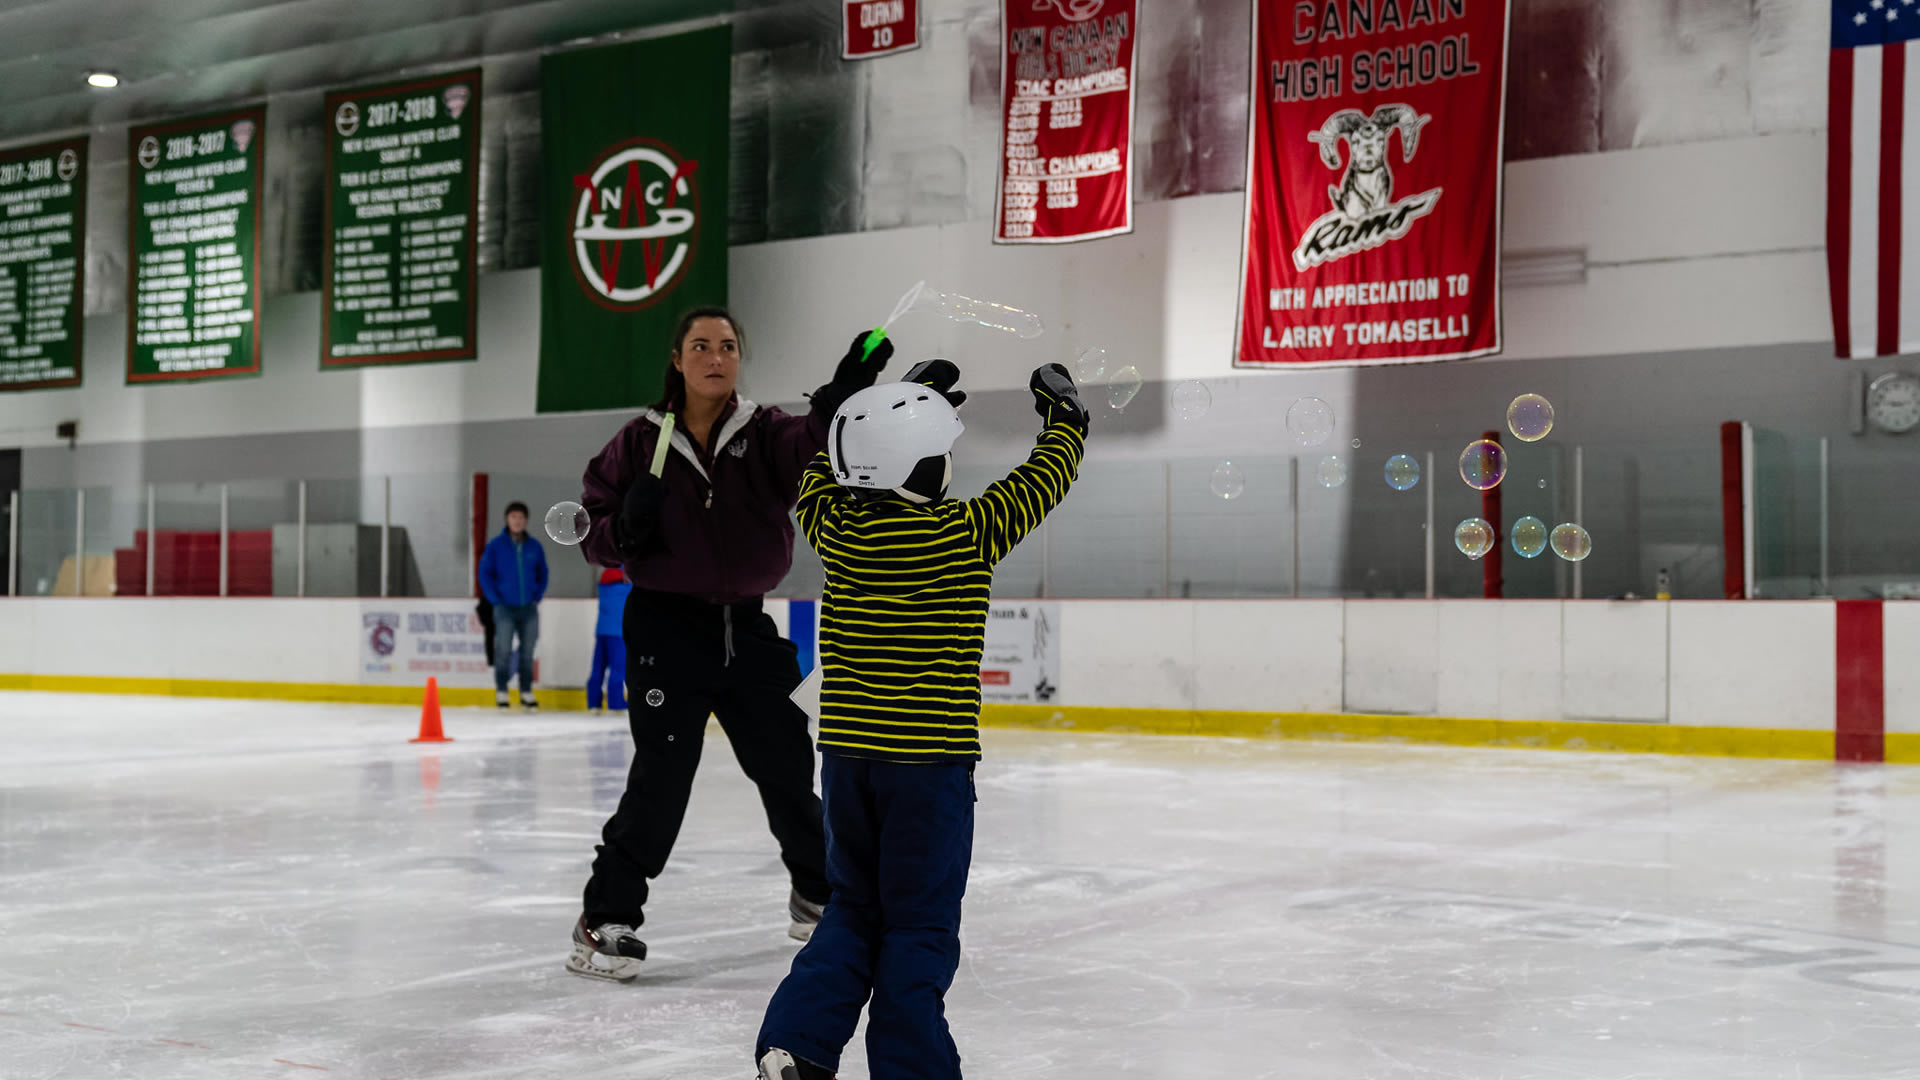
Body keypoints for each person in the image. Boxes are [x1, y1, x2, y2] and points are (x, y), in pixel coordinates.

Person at [754, 360, 1088, 1080]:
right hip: (928, 772)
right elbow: (1044, 480)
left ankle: (797, 1043)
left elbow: (820, 469)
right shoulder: (968, 533)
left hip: (847, 765)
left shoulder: (834, 527)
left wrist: (885, 403)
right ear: (922, 469)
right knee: (917, 926)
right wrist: (1066, 419)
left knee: (852, 908)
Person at [566, 307, 893, 983]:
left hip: (747, 627)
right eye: (701, 346)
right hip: (664, 627)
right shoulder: (639, 442)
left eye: (728, 346)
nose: (716, 356)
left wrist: (840, 398)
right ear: (678, 360)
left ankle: (817, 895)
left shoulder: (765, 431)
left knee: (787, 764)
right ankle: (605, 920)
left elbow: (813, 444)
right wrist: (620, 532)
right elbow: (591, 521)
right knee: (663, 775)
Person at [477, 501, 549, 711]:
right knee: (503, 650)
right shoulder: (495, 546)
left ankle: (526, 692)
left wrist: (537, 595)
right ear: (507, 520)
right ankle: (502, 691)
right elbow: (484, 574)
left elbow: (543, 573)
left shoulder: (534, 546)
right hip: (504, 608)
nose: (517, 521)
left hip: (528, 607)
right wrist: (495, 598)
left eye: (521, 518)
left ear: (526, 521)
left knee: (527, 652)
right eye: (513, 517)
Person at [587, 567, 631, 714]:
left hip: (602, 630)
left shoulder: (605, 577)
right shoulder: (627, 582)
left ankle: (594, 704)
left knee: (597, 668)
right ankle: (616, 704)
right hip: (617, 631)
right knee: (617, 669)